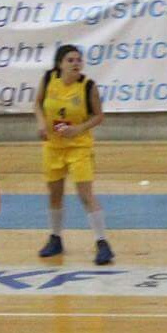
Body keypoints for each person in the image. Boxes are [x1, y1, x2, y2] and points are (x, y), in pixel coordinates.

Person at [34, 43, 113, 265]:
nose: (75, 63)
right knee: (55, 194)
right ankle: (55, 238)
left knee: (85, 194)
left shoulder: (88, 86)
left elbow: (99, 116)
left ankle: (102, 242)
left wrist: (78, 129)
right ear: (60, 64)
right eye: (70, 60)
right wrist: (41, 123)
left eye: (78, 60)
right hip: (53, 146)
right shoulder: (48, 79)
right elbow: (37, 104)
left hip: (79, 146)